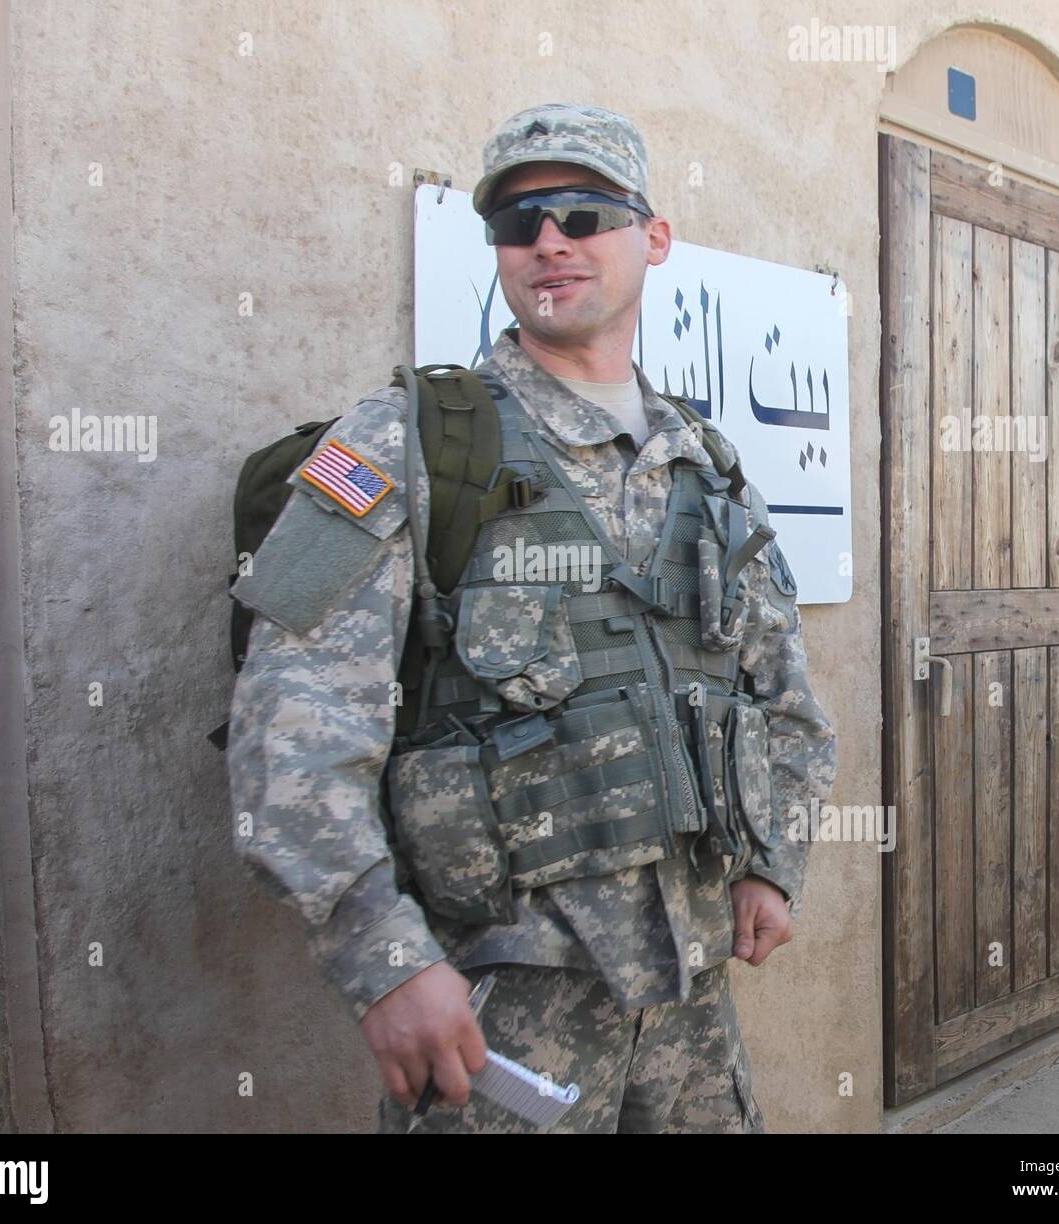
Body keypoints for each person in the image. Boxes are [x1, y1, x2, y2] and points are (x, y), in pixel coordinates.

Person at [226, 102, 837, 1133]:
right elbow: (289, 728)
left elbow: (781, 694)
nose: (548, 240)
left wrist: (774, 859)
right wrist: (382, 959)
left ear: (651, 238)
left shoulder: (704, 460)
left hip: (691, 999)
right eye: (516, 223)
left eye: (581, 212)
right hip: (502, 1009)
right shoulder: (408, 442)